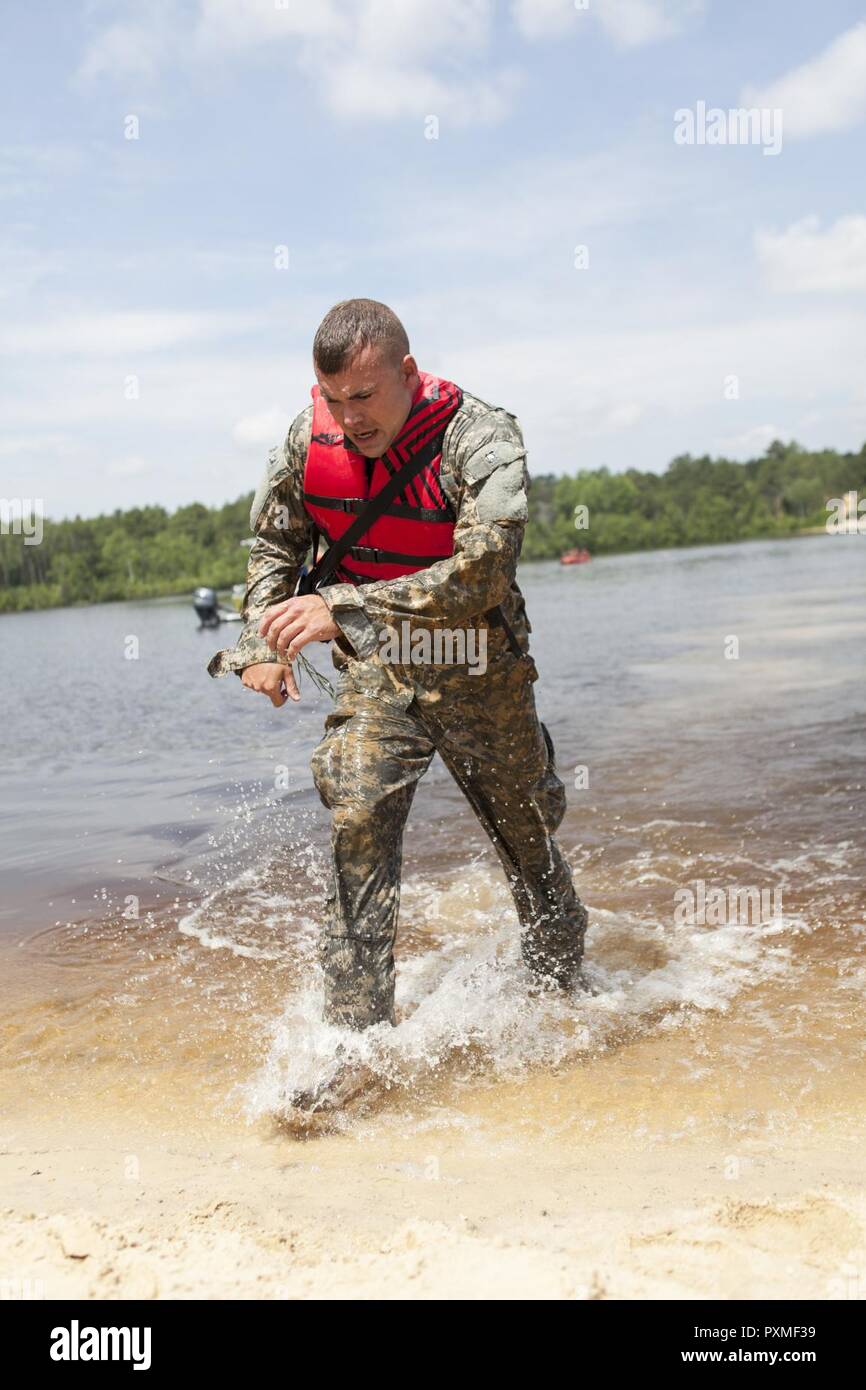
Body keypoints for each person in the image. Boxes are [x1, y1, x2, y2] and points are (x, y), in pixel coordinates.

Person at [208, 298, 589, 1110]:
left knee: (526, 835)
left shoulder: (481, 438)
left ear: (409, 375)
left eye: (367, 397)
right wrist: (259, 644)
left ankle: (568, 998)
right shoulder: (303, 440)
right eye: (334, 399)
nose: (350, 420)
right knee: (357, 811)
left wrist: (342, 611)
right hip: (382, 668)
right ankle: (354, 1046)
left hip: (477, 660)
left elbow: (485, 571)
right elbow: (275, 548)